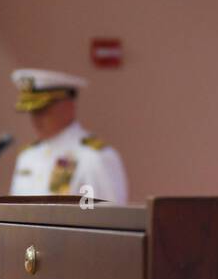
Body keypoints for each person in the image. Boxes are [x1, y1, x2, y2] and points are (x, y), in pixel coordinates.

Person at [8, 68, 128, 202]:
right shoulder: (27, 156)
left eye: (43, 109)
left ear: (68, 105)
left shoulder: (94, 157)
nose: (36, 118)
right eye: (32, 111)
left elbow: (109, 217)